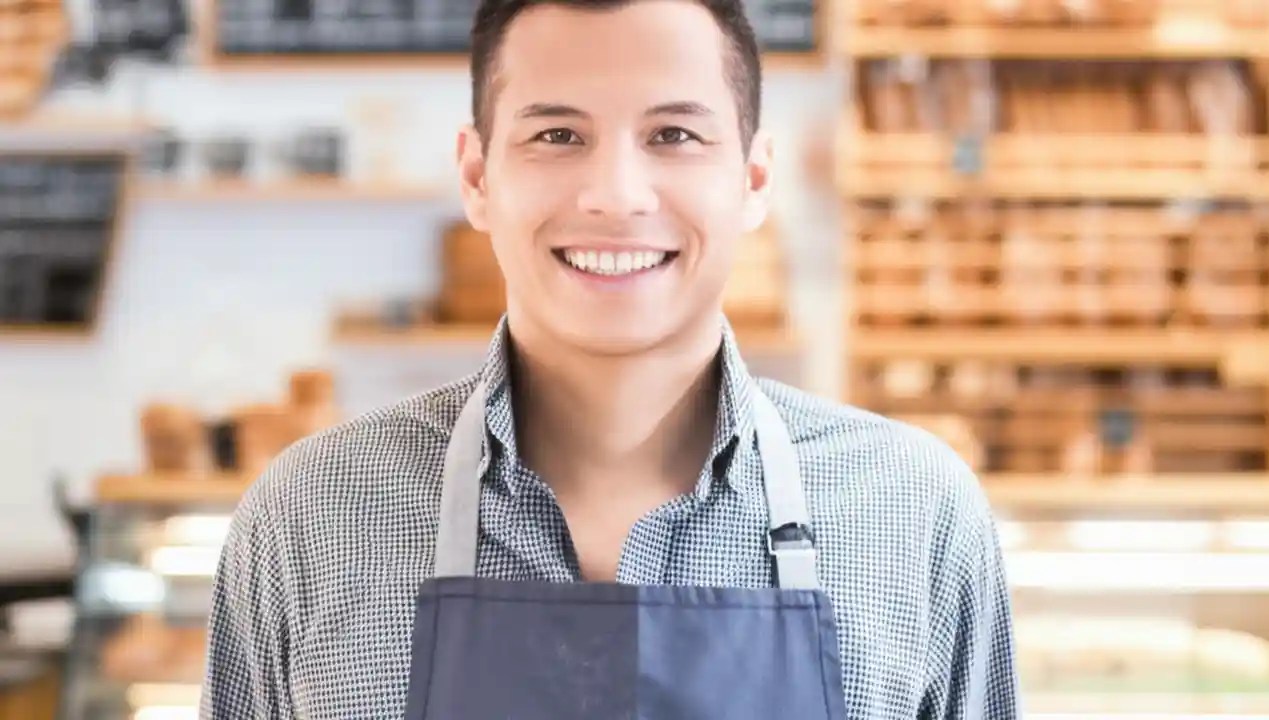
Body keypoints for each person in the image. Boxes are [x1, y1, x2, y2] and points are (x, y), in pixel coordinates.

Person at [200, 0, 1021, 716]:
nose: (616, 194)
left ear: (755, 177)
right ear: (478, 175)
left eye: (674, 134)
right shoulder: (309, 518)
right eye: (558, 135)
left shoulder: (915, 514)